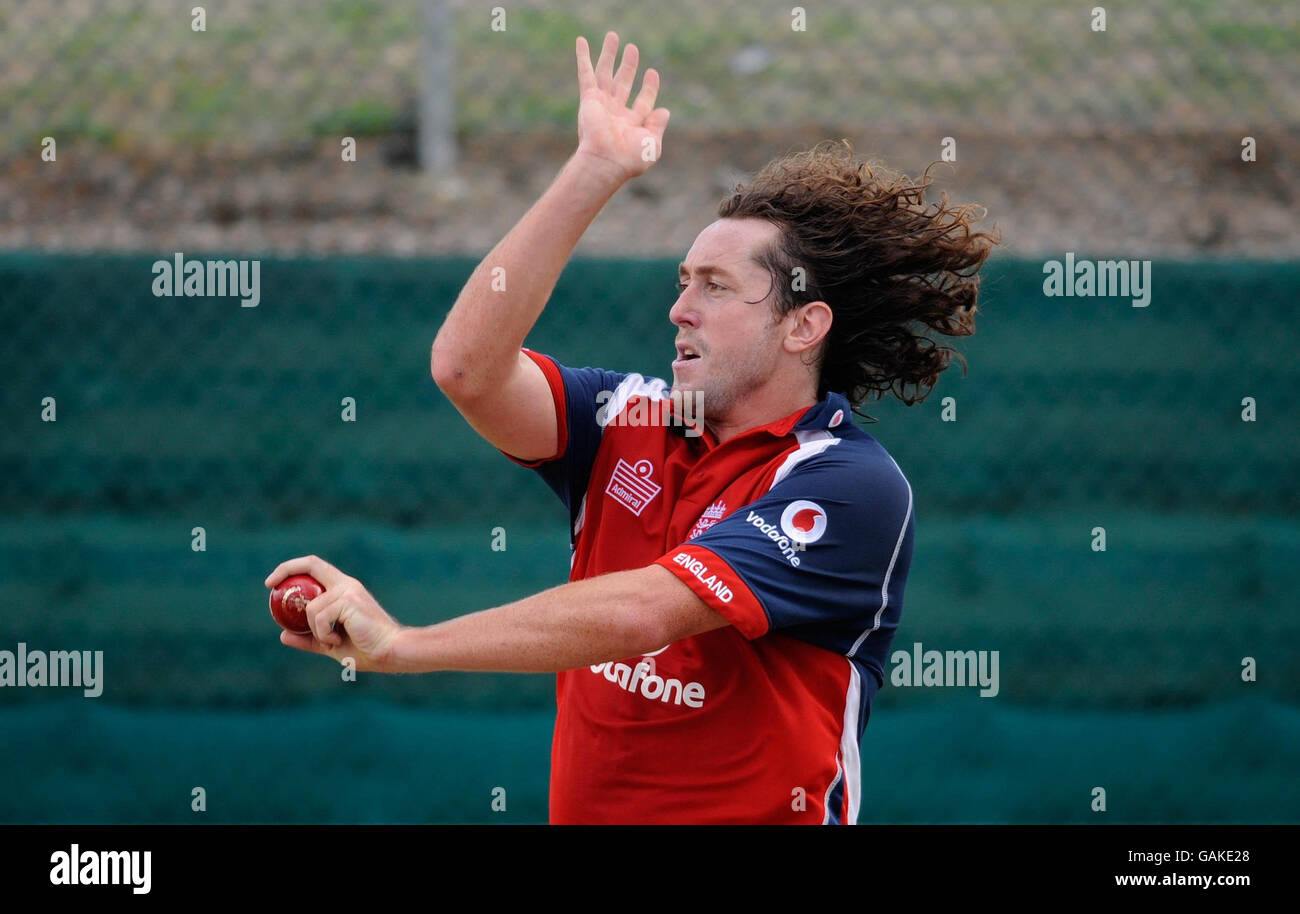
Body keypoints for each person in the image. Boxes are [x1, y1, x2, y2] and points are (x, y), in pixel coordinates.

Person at [266, 31, 997, 824]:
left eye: (717, 287)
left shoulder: (847, 484)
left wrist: (402, 646)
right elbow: (467, 370)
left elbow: (643, 614)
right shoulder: (630, 416)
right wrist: (594, 171)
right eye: (684, 282)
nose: (680, 308)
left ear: (801, 326)